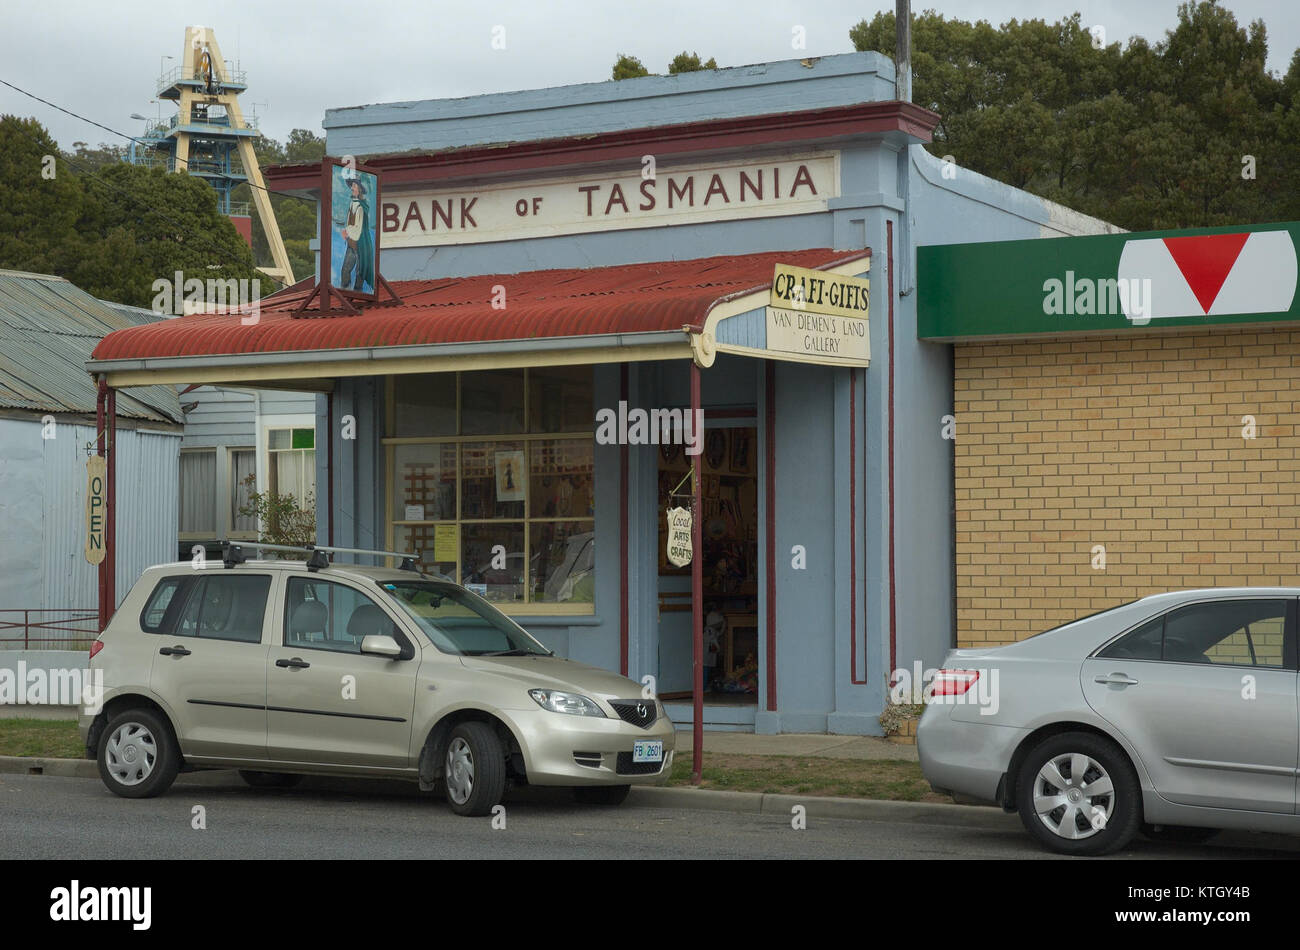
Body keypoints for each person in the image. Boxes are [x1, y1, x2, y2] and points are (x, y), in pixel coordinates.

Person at [338, 175, 375, 293]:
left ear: (359, 189)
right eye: (352, 186)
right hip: (352, 240)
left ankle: (354, 293)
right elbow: (351, 223)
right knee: (347, 270)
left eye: (354, 186)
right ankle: (347, 292)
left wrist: (347, 233)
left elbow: (358, 228)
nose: (352, 188)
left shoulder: (360, 207)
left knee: (358, 270)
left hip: (358, 242)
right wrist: (347, 231)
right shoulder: (352, 204)